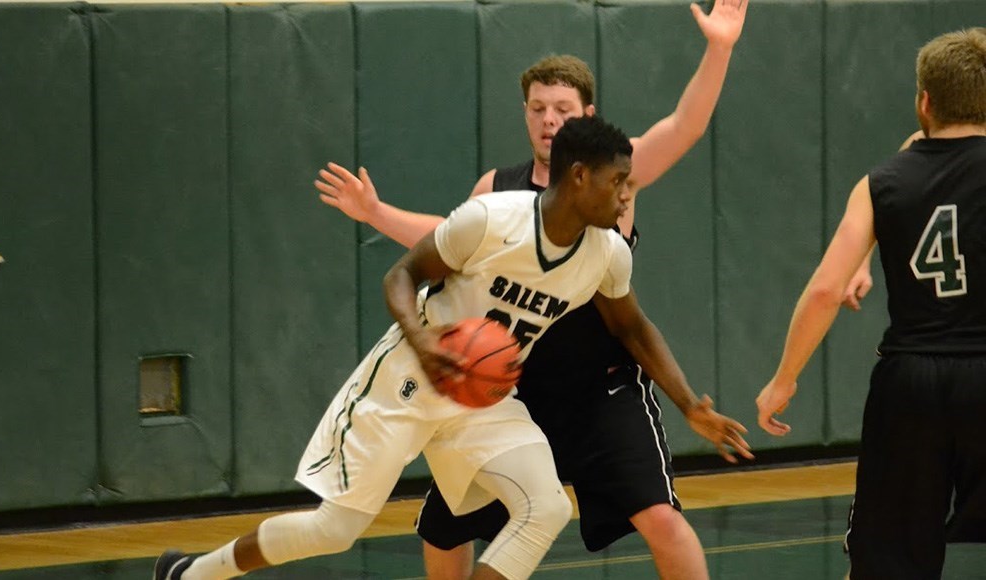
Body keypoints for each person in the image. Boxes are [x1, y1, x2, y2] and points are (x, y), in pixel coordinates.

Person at [154, 116, 751, 580]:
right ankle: (194, 574)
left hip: (482, 398)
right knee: (335, 529)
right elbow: (401, 276)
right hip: (410, 376)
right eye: (618, 181)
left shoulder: (607, 254)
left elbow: (633, 328)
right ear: (578, 177)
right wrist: (424, 342)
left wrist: (688, 404)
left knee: (545, 507)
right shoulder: (489, 221)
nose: (626, 195)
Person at [316, 2, 752, 579]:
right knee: (445, 525)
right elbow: (446, 239)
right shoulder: (498, 189)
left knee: (662, 518)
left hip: (602, 388)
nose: (549, 120)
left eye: (562, 110)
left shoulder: (615, 174)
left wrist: (719, 47)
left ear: (587, 114)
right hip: (511, 384)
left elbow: (685, 125)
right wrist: (376, 213)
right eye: (538, 108)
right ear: (525, 114)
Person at [755, 28, 986, 580]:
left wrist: (784, 379)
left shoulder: (879, 183)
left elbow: (824, 290)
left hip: (909, 385)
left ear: (924, 101)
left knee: (887, 562)